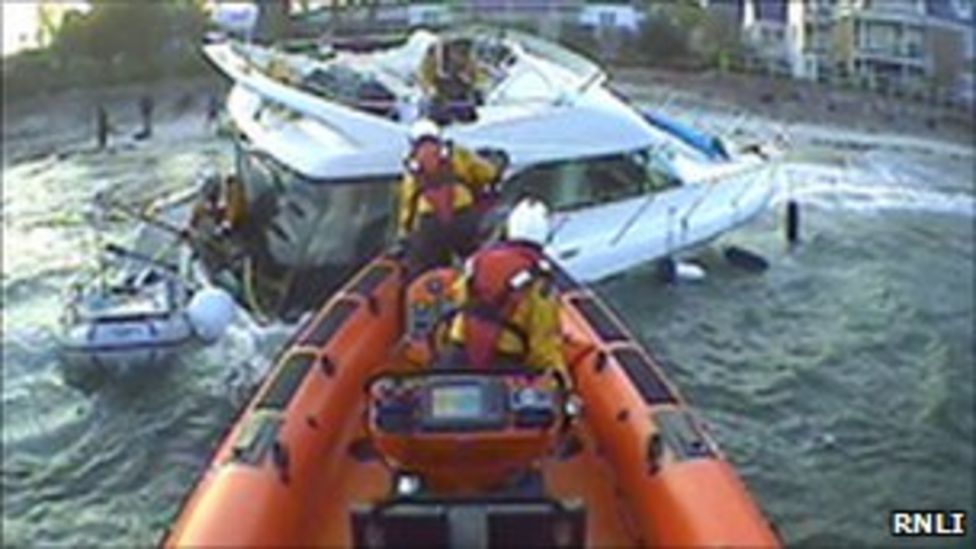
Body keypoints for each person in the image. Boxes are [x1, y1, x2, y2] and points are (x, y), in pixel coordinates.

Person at [435, 198, 565, 377]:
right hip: (505, 364)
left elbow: (456, 300)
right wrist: (561, 382)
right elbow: (542, 346)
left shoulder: (477, 262)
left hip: (458, 356)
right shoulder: (539, 280)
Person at [397, 118, 501, 278]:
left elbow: (408, 204)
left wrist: (405, 233)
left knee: (425, 271)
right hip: (462, 215)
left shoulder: (412, 167)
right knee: (473, 260)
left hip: (429, 223)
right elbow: (486, 173)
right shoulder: (456, 154)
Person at [418, 37, 481, 124]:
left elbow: (474, 80)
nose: (463, 54)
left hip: (460, 102)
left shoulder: (468, 63)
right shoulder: (437, 58)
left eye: (465, 51)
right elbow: (426, 79)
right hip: (439, 102)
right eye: (460, 51)